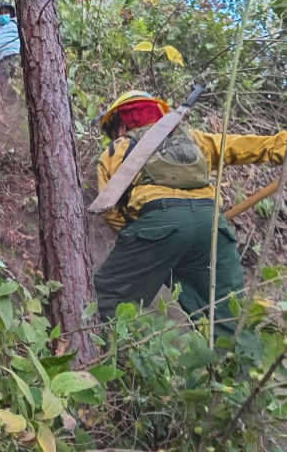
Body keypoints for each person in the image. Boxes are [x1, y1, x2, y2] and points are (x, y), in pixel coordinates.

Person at [94, 90, 287, 336]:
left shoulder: (117, 148)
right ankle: (233, 370)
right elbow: (249, 146)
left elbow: (108, 208)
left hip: (158, 223)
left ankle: (106, 363)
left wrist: (139, 238)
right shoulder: (195, 139)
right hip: (212, 226)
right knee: (226, 317)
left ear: (120, 125)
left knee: (109, 297)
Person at [0, 2, 20, 102]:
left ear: (11, 14)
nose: (3, 15)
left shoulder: (16, 22)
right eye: (0, 13)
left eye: (6, 12)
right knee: (5, 88)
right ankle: (10, 113)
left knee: (19, 83)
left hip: (15, 56)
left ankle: (23, 108)